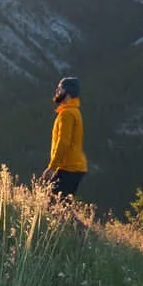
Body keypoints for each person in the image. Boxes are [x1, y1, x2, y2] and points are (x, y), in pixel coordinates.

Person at [45, 76, 87, 206]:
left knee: (53, 206)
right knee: (61, 207)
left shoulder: (67, 114)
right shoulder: (74, 111)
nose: (57, 91)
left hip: (68, 168)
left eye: (60, 89)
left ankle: (78, 227)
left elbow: (63, 143)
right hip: (74, 167)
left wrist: (52, 167)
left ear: (67, 93)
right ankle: (77, 226)